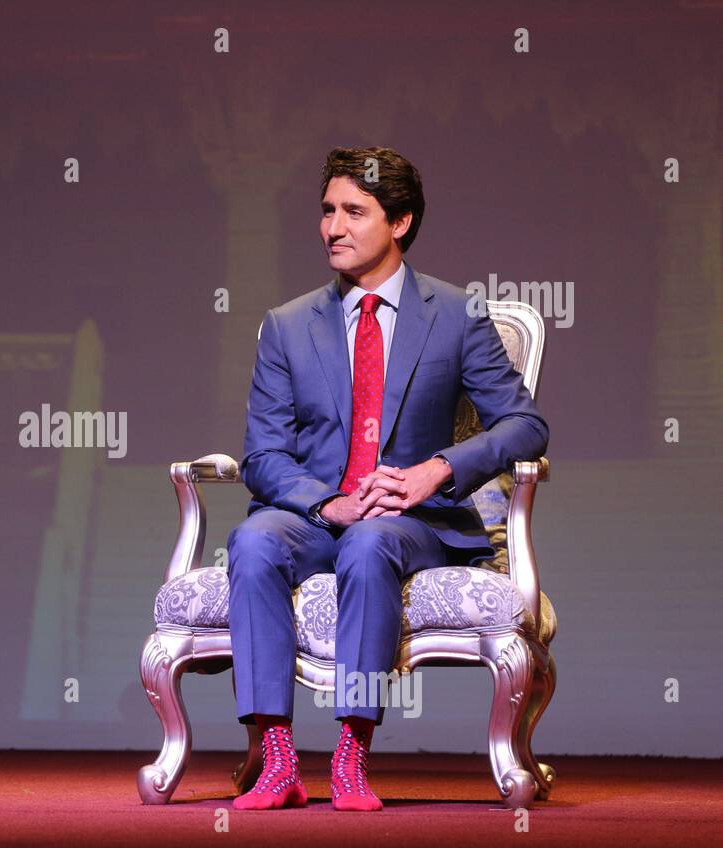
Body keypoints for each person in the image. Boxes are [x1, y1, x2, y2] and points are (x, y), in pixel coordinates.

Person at [228, 147, 548, 811]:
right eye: (326, 211)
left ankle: (351, 750)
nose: (332, 228)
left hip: (414, 524)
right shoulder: (288, 327)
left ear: (399, 221)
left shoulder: (455, 315)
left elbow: (524, 427)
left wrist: (438, 471)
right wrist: (331, 504)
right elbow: (262, 456)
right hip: (318, 517)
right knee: (255, 540)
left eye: (353, 212)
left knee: (372, 545)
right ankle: (278, 754)